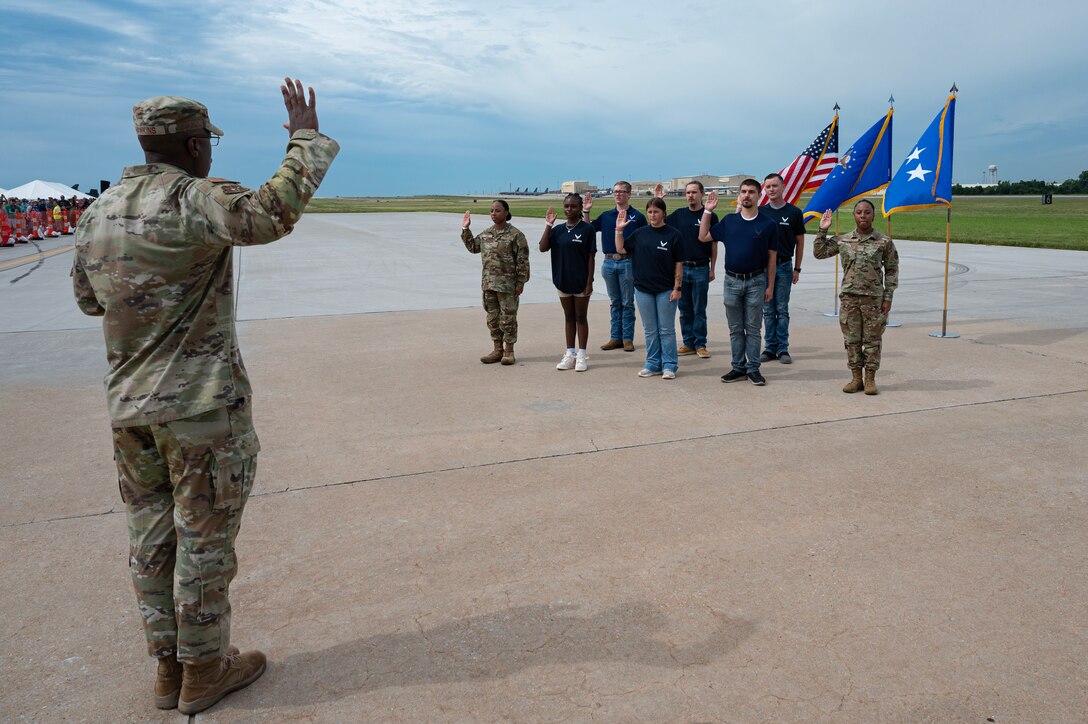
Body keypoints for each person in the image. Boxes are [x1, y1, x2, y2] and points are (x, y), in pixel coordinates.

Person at [71, 78, 339, 715]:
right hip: (197, 408)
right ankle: (204, 669)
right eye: (208, 145)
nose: (211, 156)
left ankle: (166, 670)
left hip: (130, 410)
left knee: (152, 540)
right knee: (204, 539)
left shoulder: (97, 212)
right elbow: (270, 214)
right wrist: (304, 139)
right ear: (194, 146)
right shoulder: (194, 198)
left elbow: (88, 299)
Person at [813, 200, 899, 395]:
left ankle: (870, 379)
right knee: (852, 340)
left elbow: (892, 270)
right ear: (854, 215)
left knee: (872, 340)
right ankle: (855, 378)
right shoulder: (843, 241)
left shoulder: (884, 242)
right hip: (850, 299)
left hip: (873, 300)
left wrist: (888, 297)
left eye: (867, 212)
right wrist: (822, 230)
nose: (863, 216)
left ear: (873, 215)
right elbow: (819, 253)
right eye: (859, 212)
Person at [700, 179, 778, 385]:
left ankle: (753, 368)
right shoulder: (729, 221)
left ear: (759, 195)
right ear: (739, 195)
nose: (746, 195)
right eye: (743, 191)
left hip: (756, 281)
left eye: (751, 192)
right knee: (735, 328)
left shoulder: (768, 224)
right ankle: (738, 367)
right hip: (732, 281)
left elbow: (772, 258)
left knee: (752, 329)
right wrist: (707, 211)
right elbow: (703, 236)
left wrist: (770, 286)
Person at [616, 197, 682, 379]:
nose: (653, 215)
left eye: (656, 212)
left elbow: (678, 263)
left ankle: (669, 364)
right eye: (650, 212)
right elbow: (621, 249)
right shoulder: (639, 234)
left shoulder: (673, 235)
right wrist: (619, 230)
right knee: (650, 329)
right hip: (643, 289)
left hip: (666, 289)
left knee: (666, 329)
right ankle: (653, 363)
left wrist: (677, 287)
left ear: (664, 214)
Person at [461, 199, 530, 365]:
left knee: (508, 318)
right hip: (489, 284)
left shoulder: (515, 235)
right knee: (492, 318)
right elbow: (472, 247)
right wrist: (465, 228)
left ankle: (509, 351)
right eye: (491, 210)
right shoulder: (486, 234)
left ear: (506, 213)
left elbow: (523, 261)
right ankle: (497, 349)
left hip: (508, 285)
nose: (493, 213)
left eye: (497, 210)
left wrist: (520, 282)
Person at [583, 181, 646, 352]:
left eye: (622, 191)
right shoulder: (606, 216)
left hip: (627, 262)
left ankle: (627, 338)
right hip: (609, 262)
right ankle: (615, 337)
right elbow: (588, 229)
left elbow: (645, 240)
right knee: (615, 302)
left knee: (627, 302)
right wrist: (586, 210)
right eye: (615, 191)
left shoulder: (637, 216)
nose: (618, 194)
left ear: (629, 194)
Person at [660, 181, 718, 359]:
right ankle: (688, 343)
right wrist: (658, 199)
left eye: (694, 192)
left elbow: (714, 244)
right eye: (687, 193)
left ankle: (700, 343)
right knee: (684, 308)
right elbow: (660, 222)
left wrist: (712, 268)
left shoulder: (710, 216)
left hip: (700, 267)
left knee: (699, 308)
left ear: (701, 194)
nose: (690, 196)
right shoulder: (679, 215)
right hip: (682, 269)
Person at [540, 193, 596, 371]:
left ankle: (581, 355)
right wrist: (548, 225)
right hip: (562, 280)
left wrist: (589, 282)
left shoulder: (587, 230)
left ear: (580, 208)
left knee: (581, 317)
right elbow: (542, 247)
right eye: (566, 206)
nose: (569, 209)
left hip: (581, 281)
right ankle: (569, 353)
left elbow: (591, 257)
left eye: (573, 206)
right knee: (568, 317)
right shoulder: (557, 230)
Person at [759, 173, 806, 364]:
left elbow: (800, 242)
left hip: (784, 266)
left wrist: (797, 268)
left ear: (783, 187)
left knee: (782, 308)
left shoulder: (794, 212)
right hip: (763, 268)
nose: (771, 190)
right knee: (768, 309)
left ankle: (782, 349)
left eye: (775, 186)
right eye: (768, 186)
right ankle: (770, 347)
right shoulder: (760, 212)